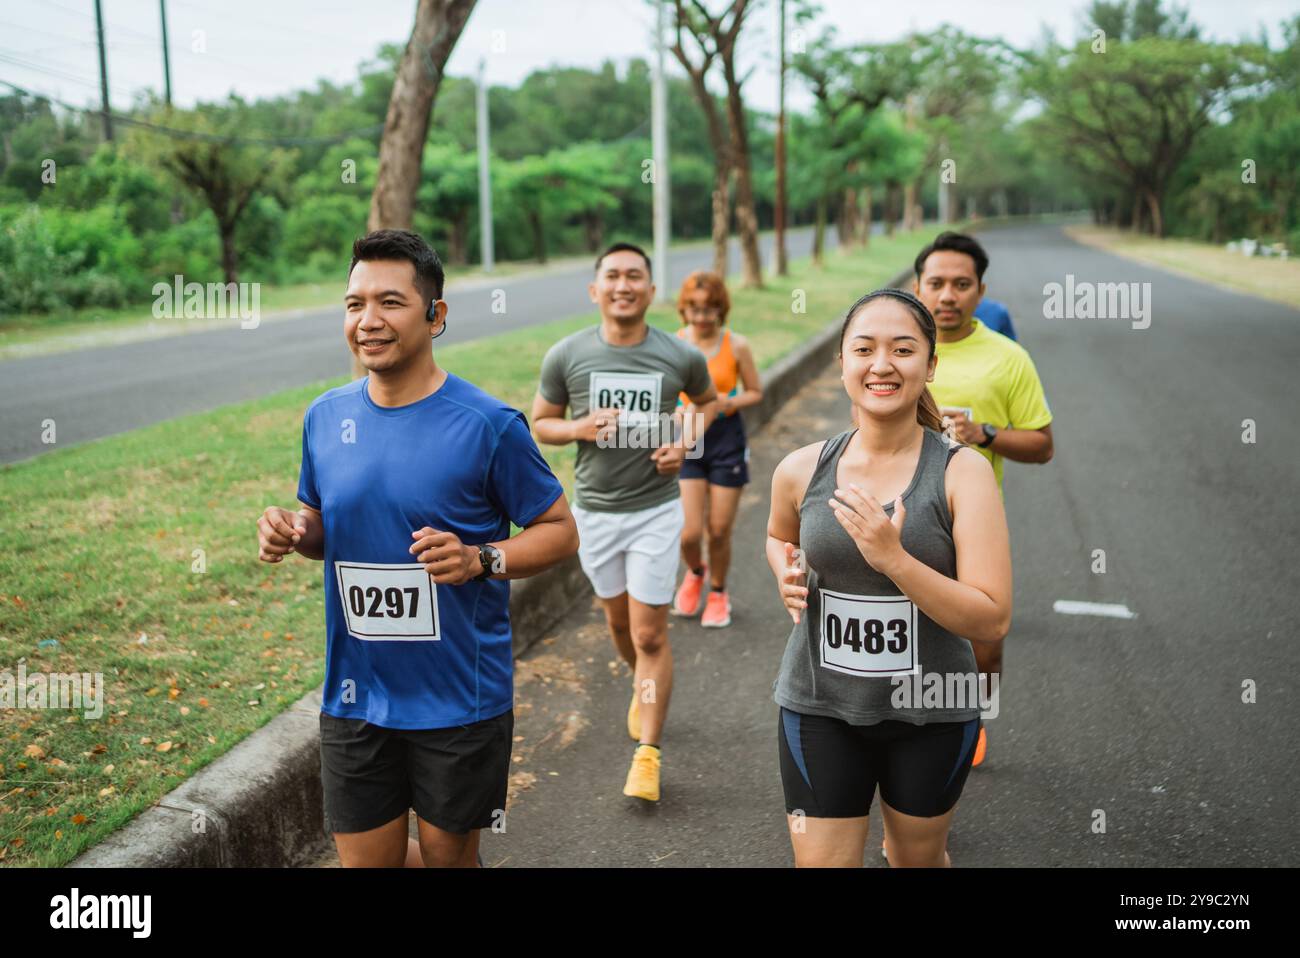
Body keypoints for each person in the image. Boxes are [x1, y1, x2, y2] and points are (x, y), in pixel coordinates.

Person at [256, 229, 578, 868]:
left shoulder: (488, 425)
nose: (368, 321)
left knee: (447, 858)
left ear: (436, 316)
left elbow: (561, 531)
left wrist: (479, 559)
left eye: (391, 303)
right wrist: (292, 532)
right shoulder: (325, 417)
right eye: (354, 304)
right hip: (355, 694)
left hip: (459, 698)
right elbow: (323, 527)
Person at [766, 288, 1011, 868]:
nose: (882, 365)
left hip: (931, 708)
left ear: (930, 365)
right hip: (819, 704)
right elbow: (779, 536)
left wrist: (894, 560)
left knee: (914, 859)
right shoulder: (801, 469)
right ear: (843, 364)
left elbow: (992, 616)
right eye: (864, 349)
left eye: (903, 350)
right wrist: (785, 567)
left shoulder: (962, 473)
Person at [531, 242, 717, 802]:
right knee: (619, 627)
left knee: (649, 632)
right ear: (595, 290)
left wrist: (685, 443)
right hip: (594, 513)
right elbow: (541, 423)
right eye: (612, 275)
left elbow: (708, 405)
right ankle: (644, 685)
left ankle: (648, 756)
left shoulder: (679, 355)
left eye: (634, 275)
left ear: (650, 290)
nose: (623, 285)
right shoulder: (567, 355)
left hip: (657, 510)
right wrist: (579, 428)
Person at [913, 231, 1053, 768]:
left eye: (961, 284)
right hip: (901, 519)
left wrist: (985, 434)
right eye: (937, 283)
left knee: (985, 639)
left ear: (980, 291)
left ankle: (975, 715)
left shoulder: (1008, 358)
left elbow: (1042, 446)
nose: (947, 295)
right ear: (918, 286)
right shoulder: (898, 351)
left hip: (972, 523)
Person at [671, 271, 763, 628]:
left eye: (709, 309)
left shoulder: (736, 345)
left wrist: (729, 401)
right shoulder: (674, 343)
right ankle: (696, 571)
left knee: (719, 530)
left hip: (726, 439)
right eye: (694, 308)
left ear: (720, 309)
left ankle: (719, 592)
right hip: (687, 439)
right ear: (684, 309)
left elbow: (756, 392)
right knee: (689, 532)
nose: (701, 316)